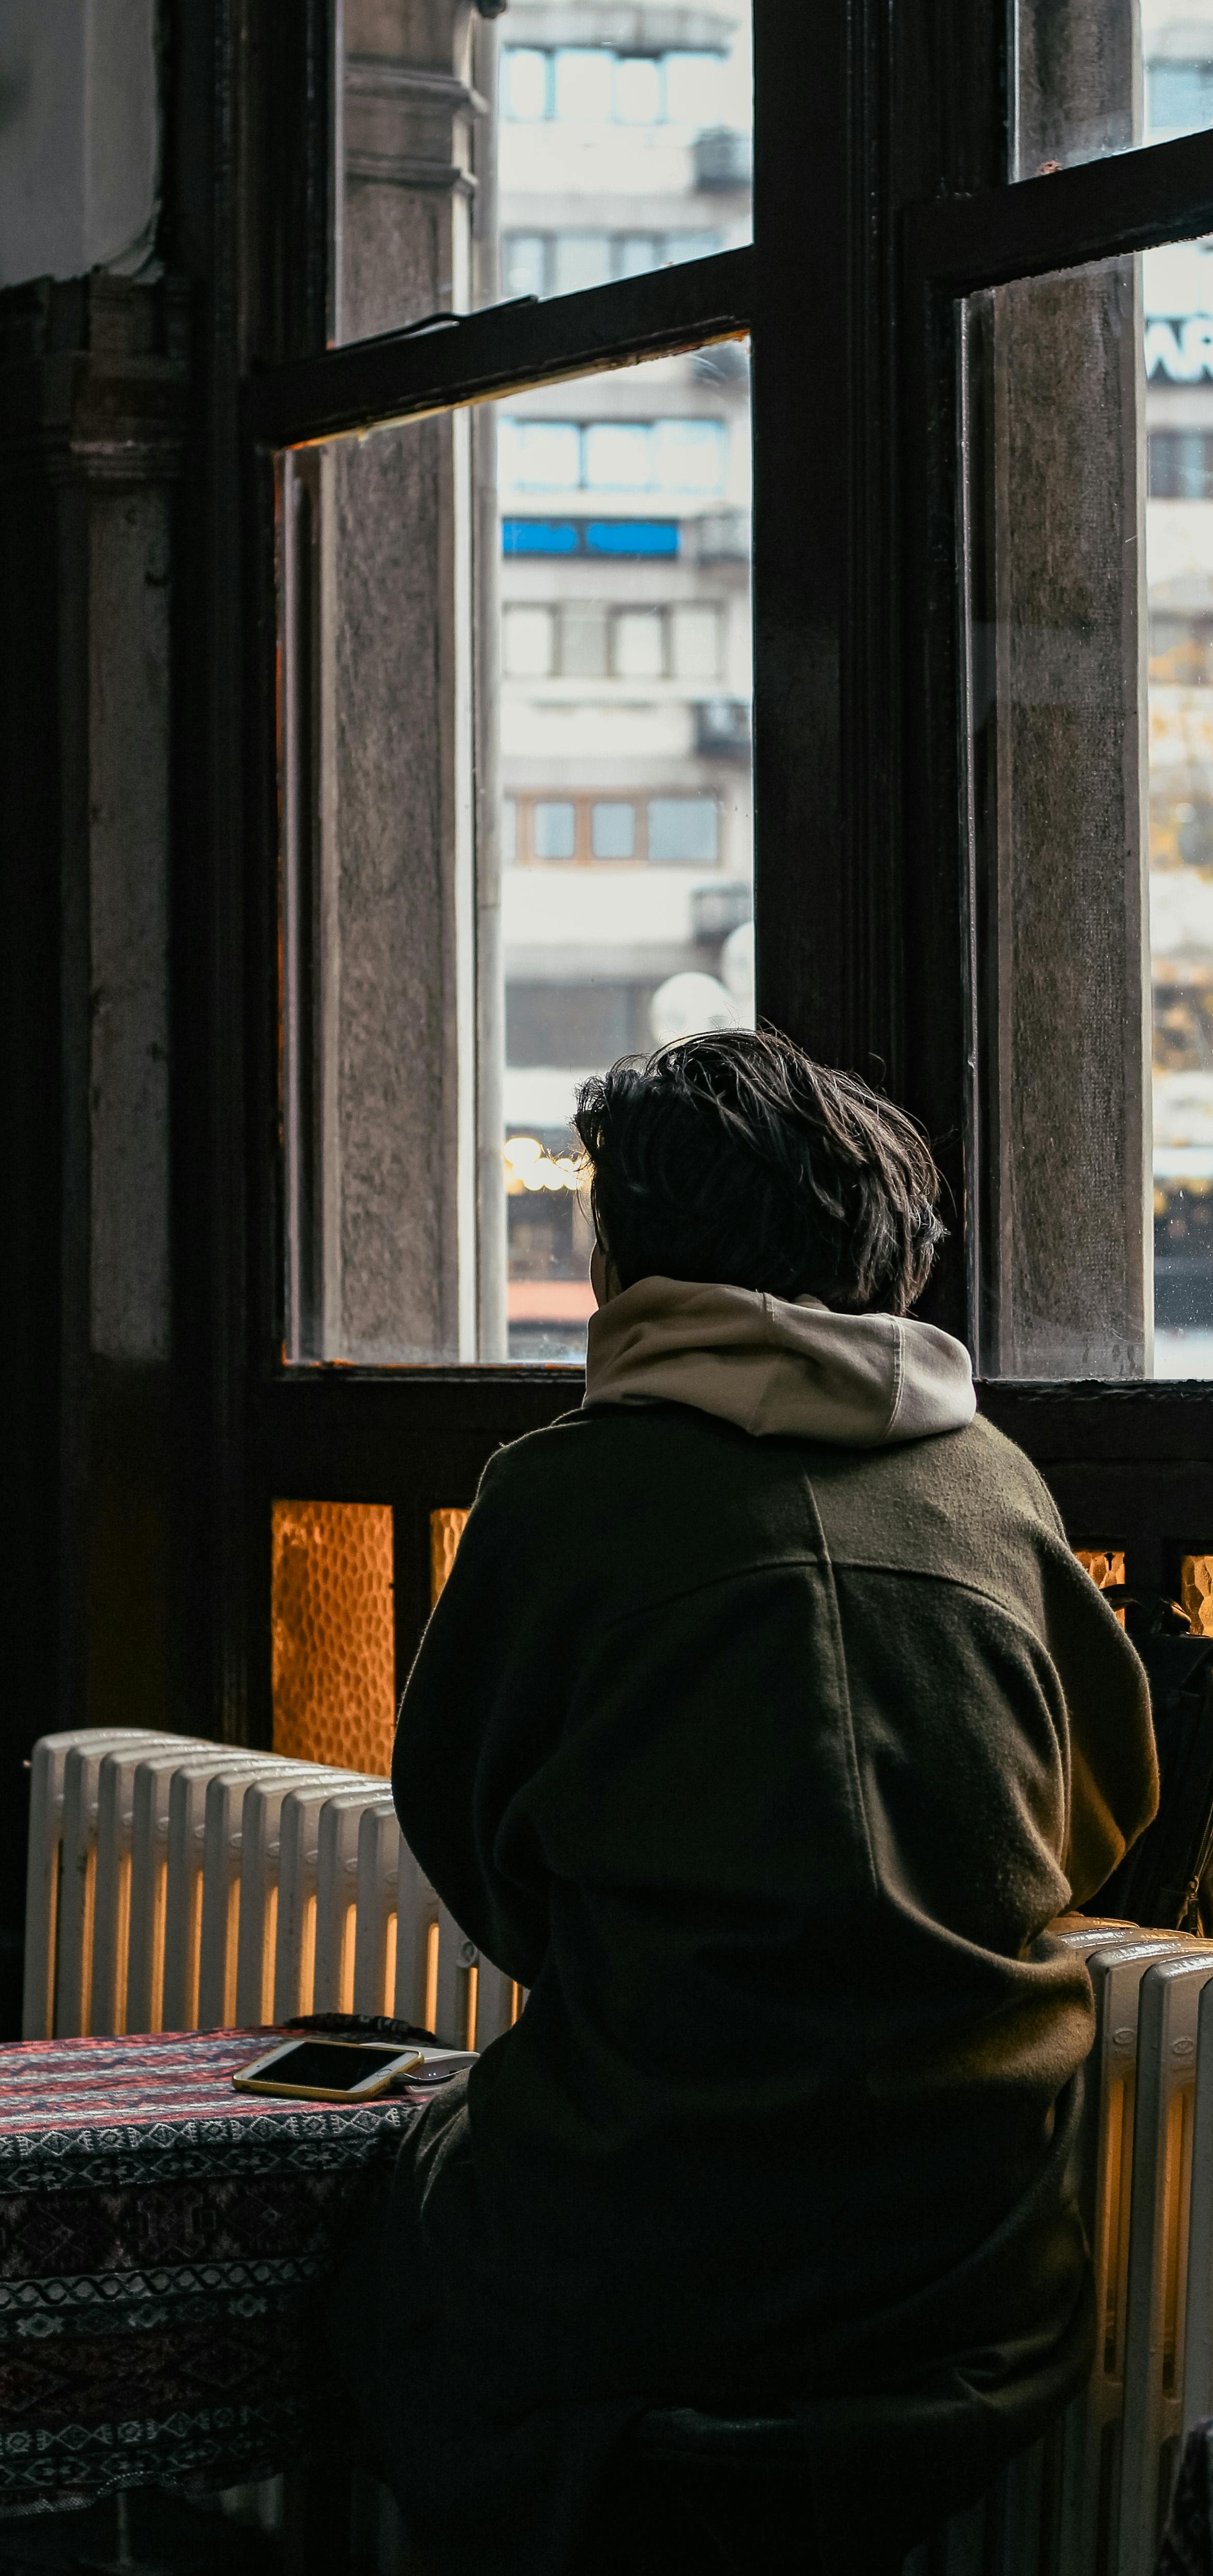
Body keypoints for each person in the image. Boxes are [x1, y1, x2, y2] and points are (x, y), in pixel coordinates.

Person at [329, 1028, 1157, 2576]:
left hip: (651, 2245)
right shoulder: (995, 1485)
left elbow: (475, 1836)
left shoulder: (563, 1491)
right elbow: (1106, 1808)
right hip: (978, 2269)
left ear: (633, 1253)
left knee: (399, 2220)